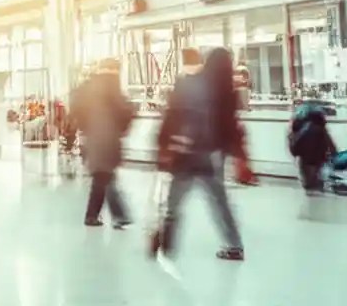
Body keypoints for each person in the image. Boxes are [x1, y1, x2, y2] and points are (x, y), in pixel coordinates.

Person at [152, 48, 244, 261]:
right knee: (219, 201)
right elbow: (231, 126)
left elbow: (172, 115)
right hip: (213, 155)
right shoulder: (228, 91)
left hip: (186, 151)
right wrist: (236, 153)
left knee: (174, 199)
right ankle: (234, 245)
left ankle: (165, 244)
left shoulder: (188, 83)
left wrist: (163, 145)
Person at [72, 58, 134, 229]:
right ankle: (117, 215)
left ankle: (95, 216)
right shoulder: (111, 84)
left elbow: (75, 105)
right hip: (107, 137)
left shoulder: (87, 85)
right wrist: (122, 128)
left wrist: (84, 126)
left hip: (92, 138)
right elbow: (125, 111)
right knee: (105, 175)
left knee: (102, 176)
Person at [288, 103, 336, 194]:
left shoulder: (299, 125)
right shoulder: (319, 127)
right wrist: (333, 153)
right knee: (315, 171)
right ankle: (313, 187)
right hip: (317, 154)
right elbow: (328, 141)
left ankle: (309, 187)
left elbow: (293, 140)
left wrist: (294, 152)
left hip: (305, 154)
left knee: (307, 171)